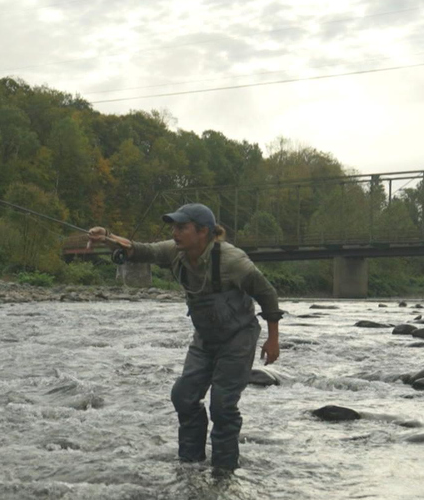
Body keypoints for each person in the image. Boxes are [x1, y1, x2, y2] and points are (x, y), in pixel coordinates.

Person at [88, 203, 282, 474]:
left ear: (203, 232)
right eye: (174, 227)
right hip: (205, 338)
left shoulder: (232, 261)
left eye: (181, 227)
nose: (174, 232)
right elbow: (140, 250)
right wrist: (107, 236)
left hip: (238, 338)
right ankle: (190, 464)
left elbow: (267, 294)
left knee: (222, 405)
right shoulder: (174, 251)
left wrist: (273, 340)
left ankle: (223, 471)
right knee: (183, 396)